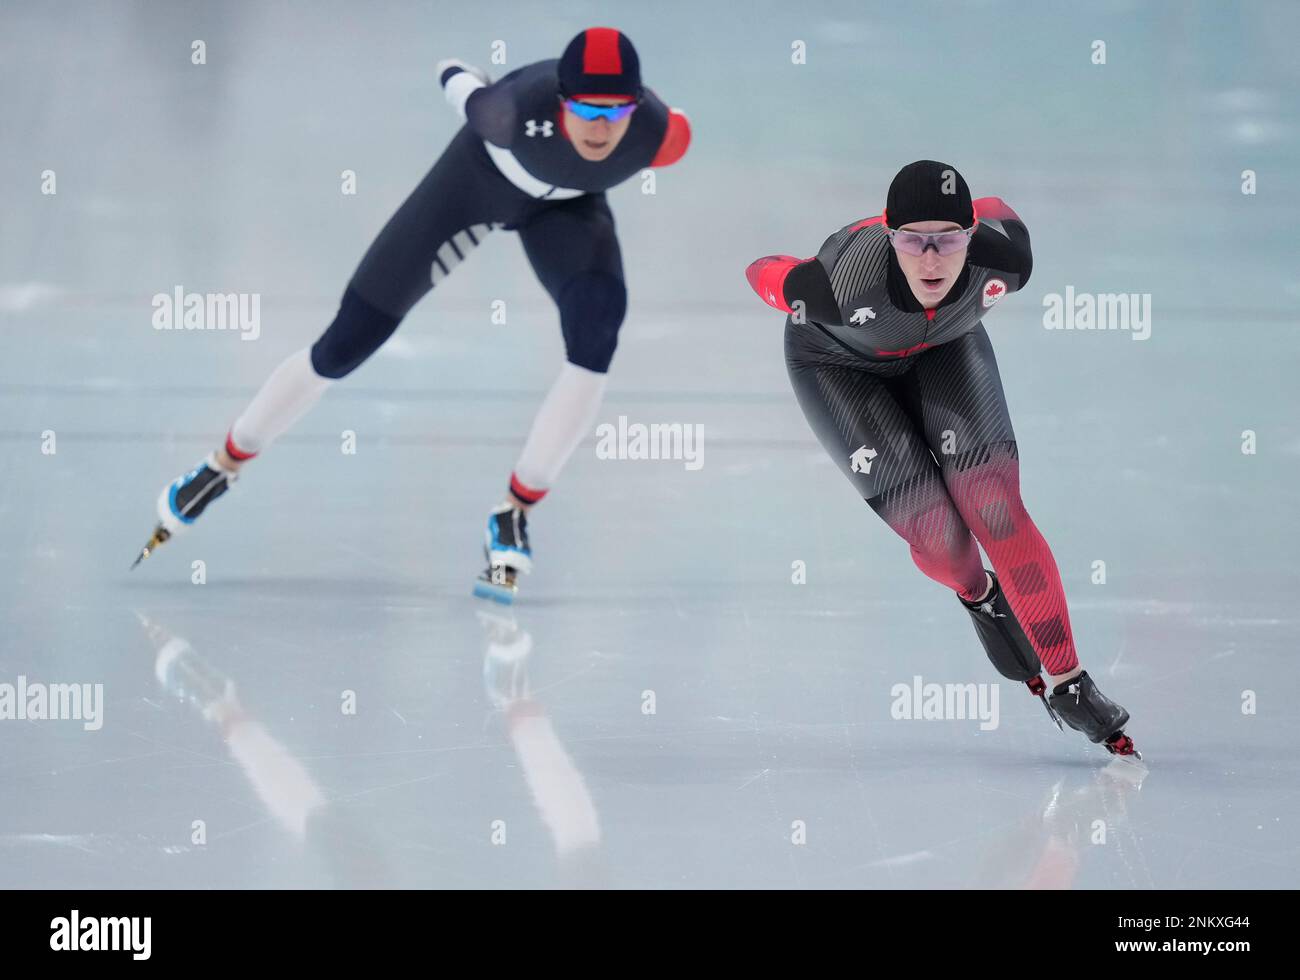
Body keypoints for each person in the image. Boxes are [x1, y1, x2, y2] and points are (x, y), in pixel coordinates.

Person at [133, 27, 691, 604]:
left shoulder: (662, 135)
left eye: (617, 109)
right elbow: (454, 74)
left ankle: (514, 512)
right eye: (586, 108)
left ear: (638, 103)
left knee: (597, 331)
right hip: (473, 187)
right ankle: (223, 463)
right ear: (560, 101)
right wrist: (458, 71)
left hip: (568, 213)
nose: (601, 127)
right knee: (346, 344)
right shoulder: (505, 112)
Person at [745, 160, 1138, 757]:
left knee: (996, 506)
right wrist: (789, 282)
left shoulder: (1005, 259)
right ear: (890, 234)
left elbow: (1001, 205)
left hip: (946, 349)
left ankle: (1069, 682)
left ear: (971, 233)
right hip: (839, 368)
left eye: (948, 240)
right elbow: (759, 270)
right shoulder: (833, 286)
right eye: (913, 241)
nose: (931, 260)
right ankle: (979, 595)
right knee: (945, 544)